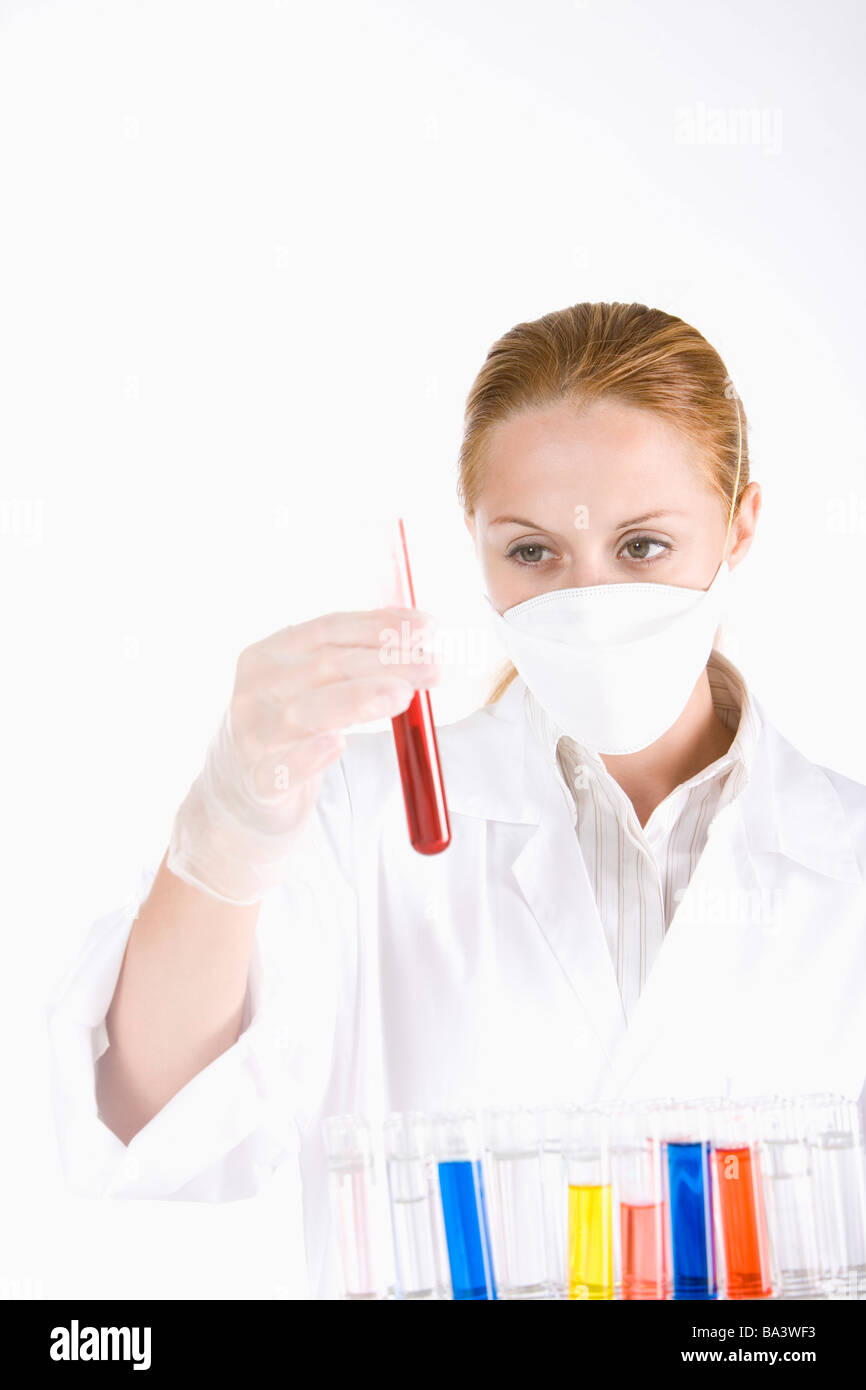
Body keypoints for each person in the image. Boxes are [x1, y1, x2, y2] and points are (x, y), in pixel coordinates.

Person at [47, 302, 866, 1299]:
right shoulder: (362, 816)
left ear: (738, 525)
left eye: (642, 545)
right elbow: (158, 1111)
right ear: (473, 544)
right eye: (531, 552)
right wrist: (227, 826)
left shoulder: (846, 858)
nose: (588, 596)